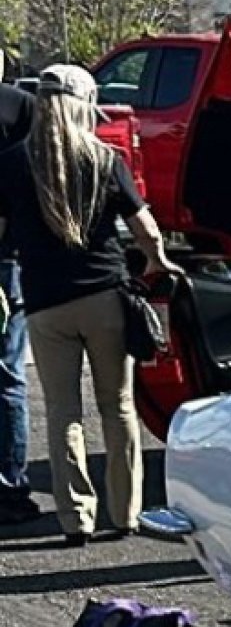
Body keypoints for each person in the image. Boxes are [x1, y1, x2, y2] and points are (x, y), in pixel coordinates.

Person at [0, 64, 181, 545]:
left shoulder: (13, 164)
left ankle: (75, 517)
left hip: (45, 304)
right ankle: (125, 512)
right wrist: (158, 263)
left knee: (63, 413)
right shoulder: (105, 158)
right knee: (117, 407)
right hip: (105, 297)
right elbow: (146, 229)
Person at [0, 49, 35, 527]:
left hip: (7, 257)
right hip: (9, 258)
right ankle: (10, 487)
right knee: (8, 372)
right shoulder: (21, 106)